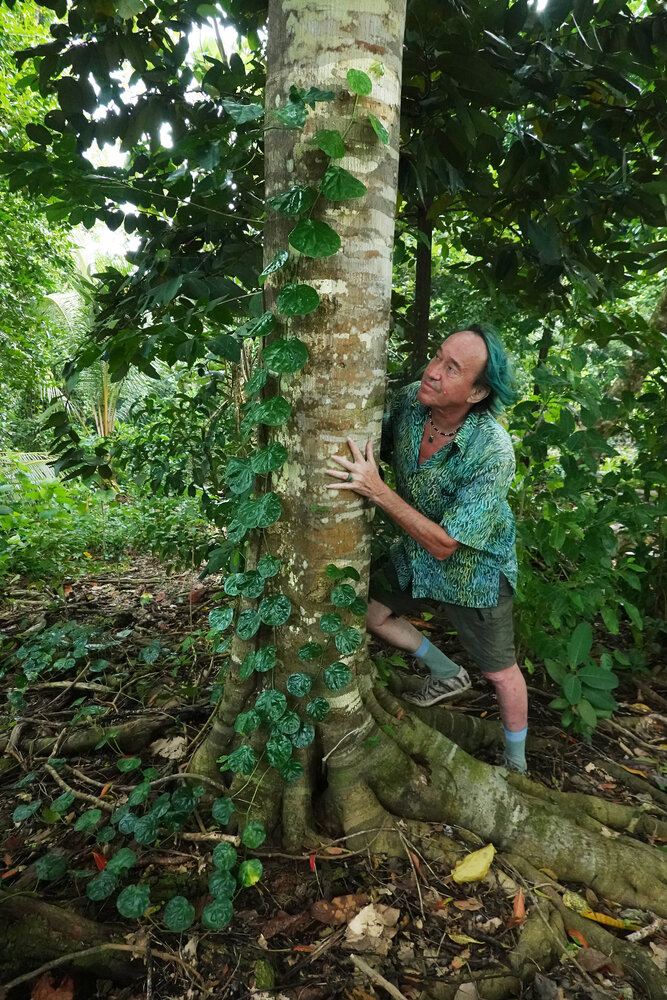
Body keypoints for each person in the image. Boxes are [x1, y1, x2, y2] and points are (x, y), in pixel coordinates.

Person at [325, 325, 528, 774]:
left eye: (451, 368)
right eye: (437, 357)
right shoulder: (411, 404)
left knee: (500, 673)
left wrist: (377, 492)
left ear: (476, 393)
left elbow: (445, 544)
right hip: (416, 549)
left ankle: (517, 764)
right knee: (366, 610)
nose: (432, 372)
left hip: (476, 569)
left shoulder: (493, 452)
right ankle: (445, 672)